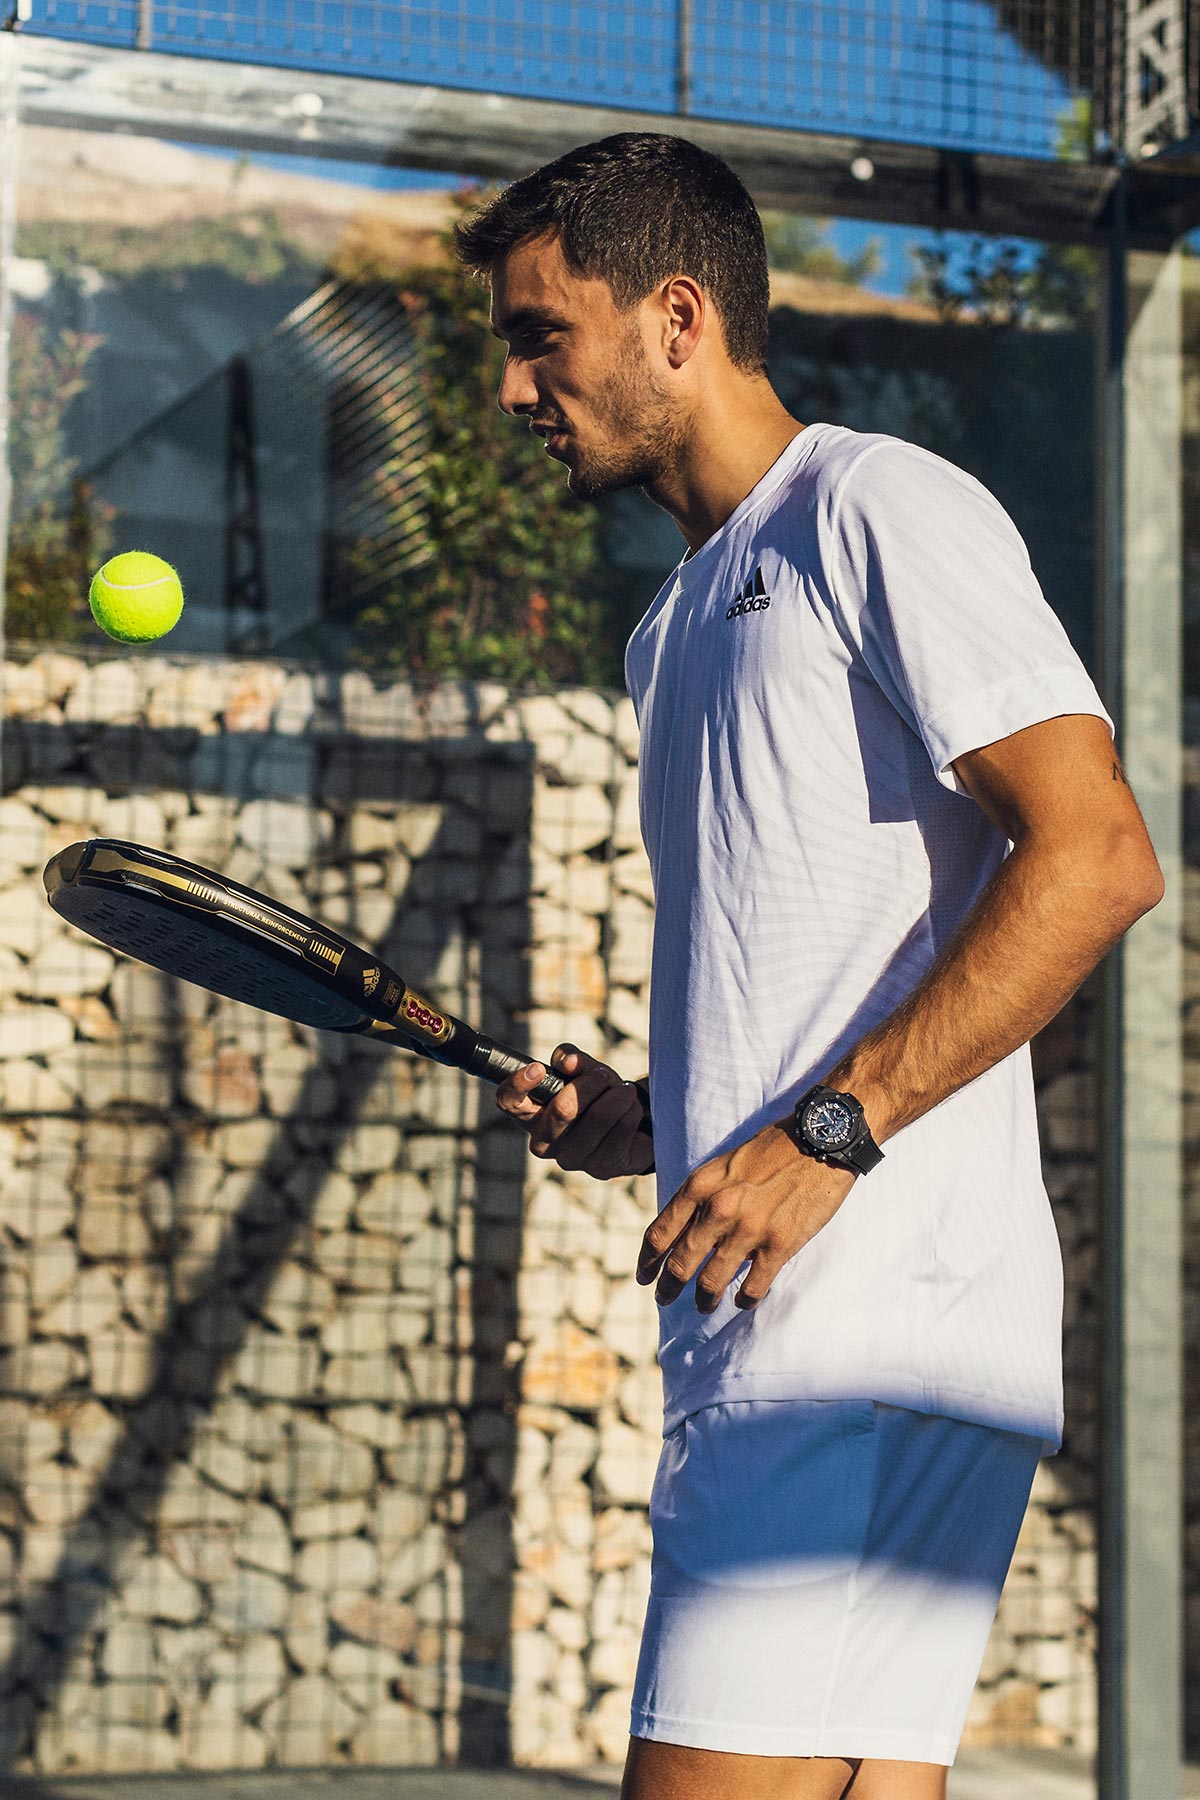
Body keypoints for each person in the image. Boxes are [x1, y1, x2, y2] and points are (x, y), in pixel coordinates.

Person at [453, 133, 1163, 1800]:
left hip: (850, 1337)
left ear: (676, 317)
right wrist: (668, 1112)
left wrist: (828, 1135)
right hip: (839, 1337)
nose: (514, 388)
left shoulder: (873, 506)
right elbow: (840, 948)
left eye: (541, 335)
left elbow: (1096, 855)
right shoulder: (671, 628)